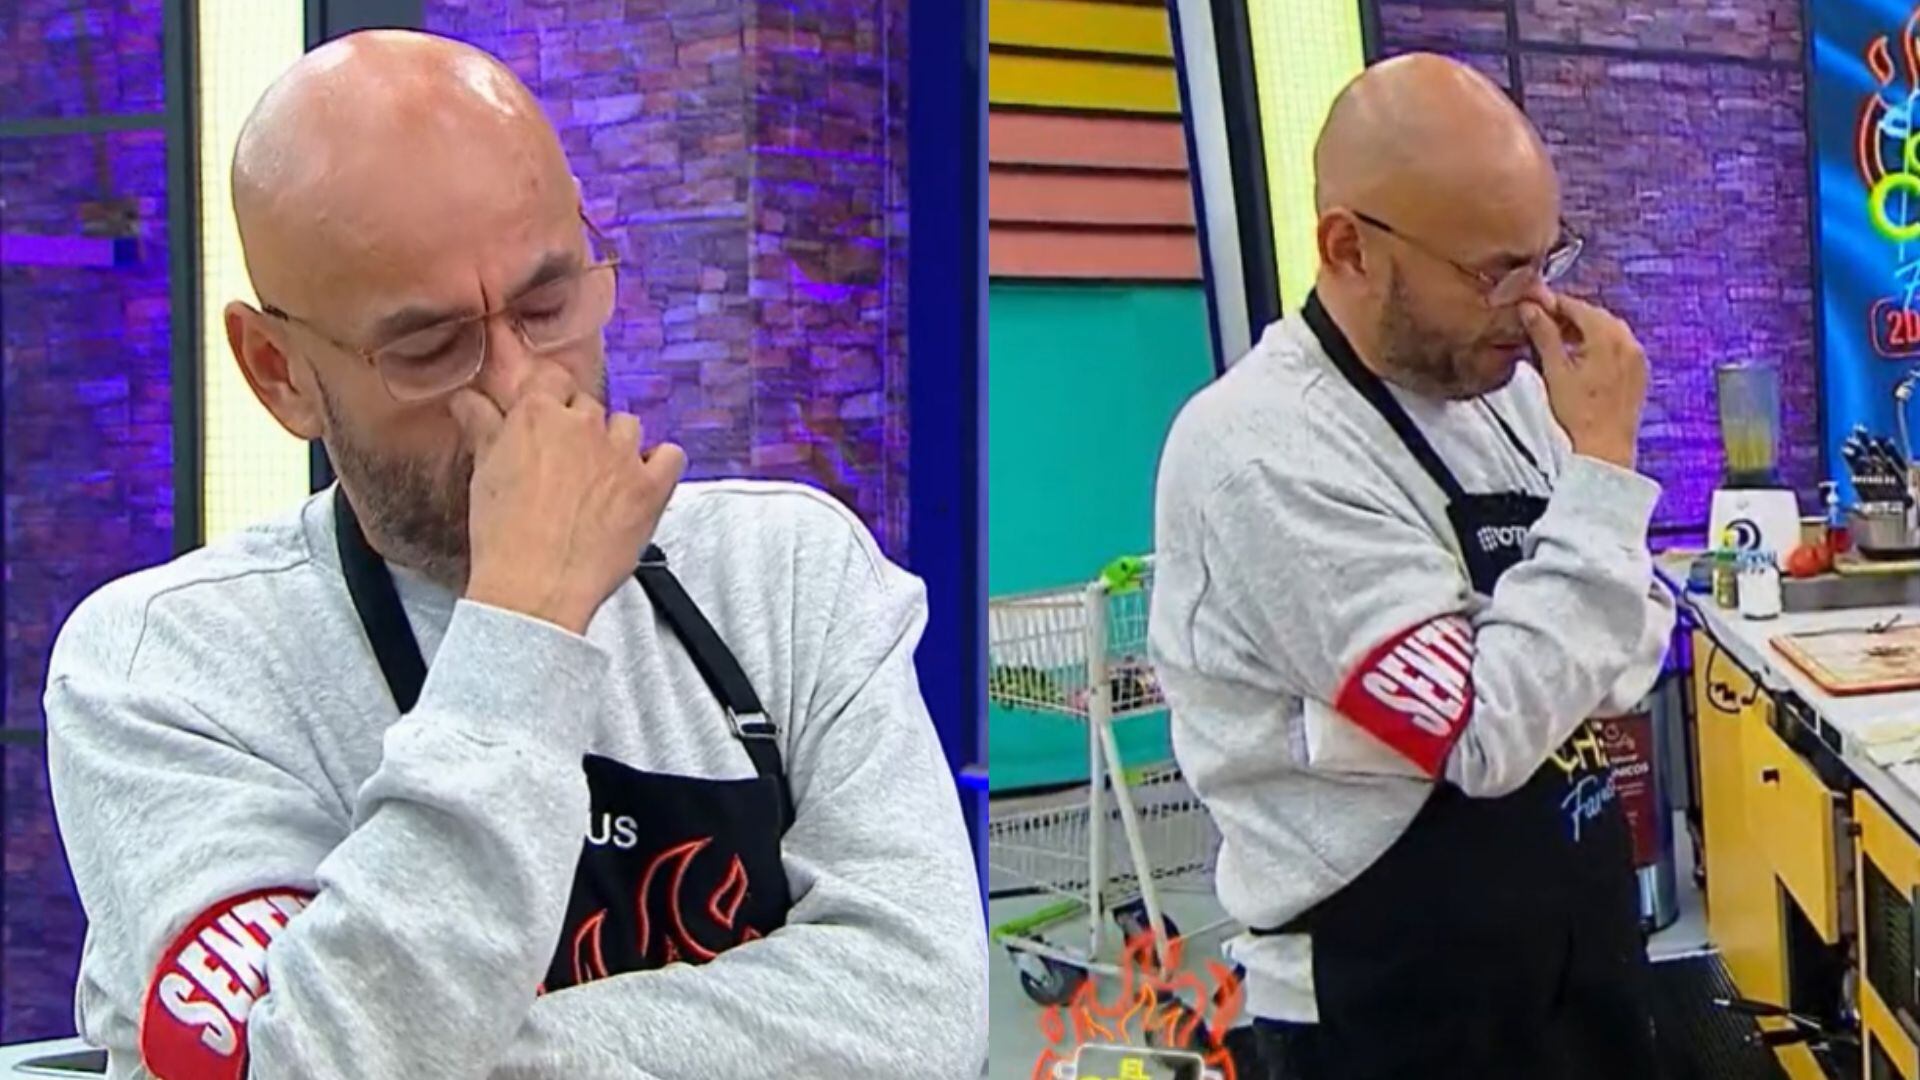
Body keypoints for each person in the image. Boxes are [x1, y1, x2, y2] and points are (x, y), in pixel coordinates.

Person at [43, 29, 985, 1080]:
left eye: (549, 305)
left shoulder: (791, 575)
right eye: (429, 347)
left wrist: (463, 1056)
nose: (523, 386)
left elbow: (919, 1021)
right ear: (279, 372)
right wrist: (523, 625)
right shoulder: (168, 670)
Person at [1148, 54, 1676, 1079]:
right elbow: (1482, 734)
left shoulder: (1503, 396)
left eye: (1547, 259)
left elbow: (1634, 637)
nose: (1534, 308)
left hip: (1572, 944)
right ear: (1347, 246)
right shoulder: (1259, 453)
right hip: (1390, 1001)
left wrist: (1538, 639)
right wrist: (1603, 481)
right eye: (1495, 273)